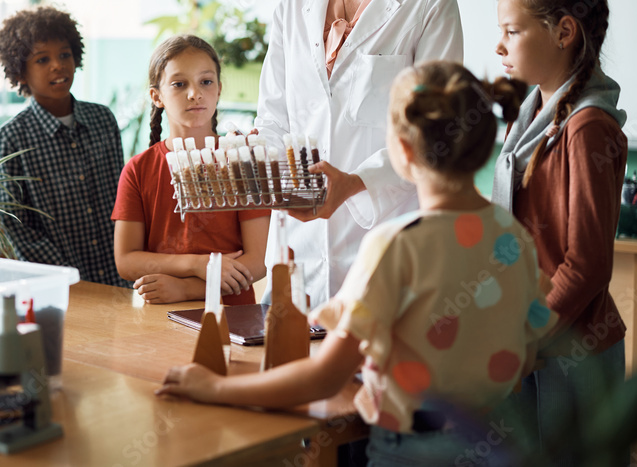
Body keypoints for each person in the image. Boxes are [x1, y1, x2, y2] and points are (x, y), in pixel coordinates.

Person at [159, 61, 554, 465]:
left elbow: (323, 378)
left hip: (408, 453)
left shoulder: (395, 244)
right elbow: (526, 352)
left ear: (400, 150)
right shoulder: (514, 238)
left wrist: (213, 387)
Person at [255, 0, 464, 309]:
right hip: (298, 245)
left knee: (371, 375)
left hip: (388, 233)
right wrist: (259, 162)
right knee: (291, 369)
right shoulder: (294, 5)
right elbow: (273, 118)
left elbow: (435, 130)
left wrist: (352, 182)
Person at [491, 0, 627, 462]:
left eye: (511, 31)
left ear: (564, 32)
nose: (499, 46)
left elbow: (587, 264)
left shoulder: (587, 126)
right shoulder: (532, 117)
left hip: (568, 351)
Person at [113, 35, 269, 305]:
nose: (194, 93)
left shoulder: (244, 162)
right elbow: (126, 261)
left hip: (233, 318)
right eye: (179, 84)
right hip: (158, 320)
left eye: (205, 82)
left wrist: (187, 290)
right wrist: (197, 265)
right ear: (156, 96)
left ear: (219, 89)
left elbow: (258, 262)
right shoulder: (137, 170)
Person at [0, 5, 128, 286]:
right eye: (42, 60)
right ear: (20, 73)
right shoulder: (12, 137)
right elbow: (15, 225)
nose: (58, 65)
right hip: (59, 286)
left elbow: (122, 199)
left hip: (118, 276)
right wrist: (66, 277)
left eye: (65, 54)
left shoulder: (103, 119)